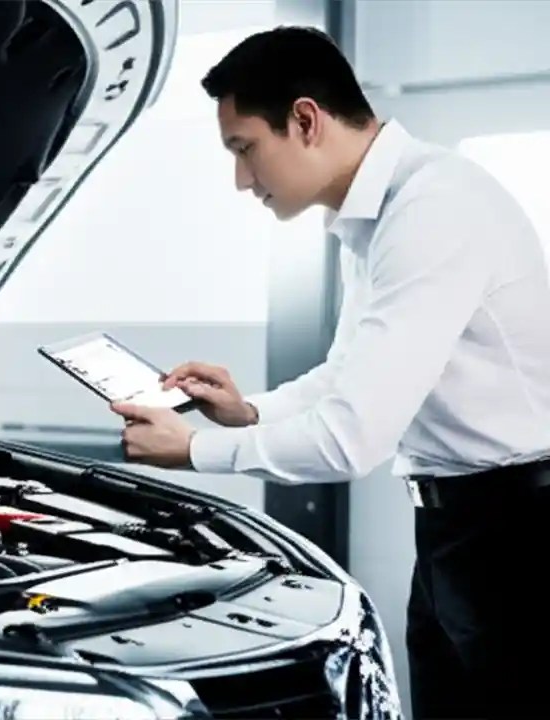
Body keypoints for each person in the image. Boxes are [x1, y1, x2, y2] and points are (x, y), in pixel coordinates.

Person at [108, 25, 550, 720]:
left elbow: (353, 438)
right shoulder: (372, 218)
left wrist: (193, 450)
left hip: (517, 537)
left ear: (305, 120)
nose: (241, 180)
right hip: (454, 531)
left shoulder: (432, 209)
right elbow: (345, 375)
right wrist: (247, 412)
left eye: (244, 148)